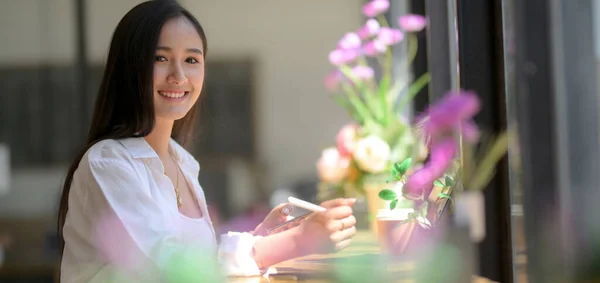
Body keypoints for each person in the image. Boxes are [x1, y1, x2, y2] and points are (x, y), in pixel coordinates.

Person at [57, 1, 357, 282]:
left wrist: (261, 236)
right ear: (129, 68)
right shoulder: (108, 163)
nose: (178, 75)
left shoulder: (182, 162)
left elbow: (198, 262)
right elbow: (166, 267)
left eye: (191, 59)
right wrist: (295, 241)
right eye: (160, 58)